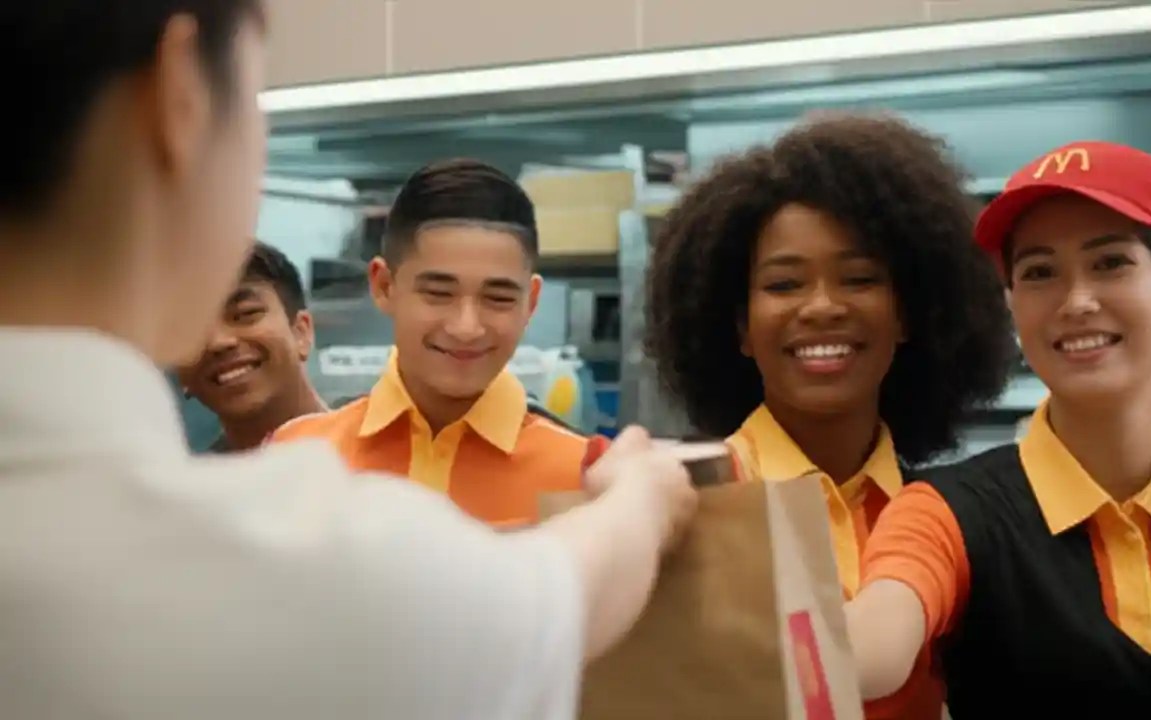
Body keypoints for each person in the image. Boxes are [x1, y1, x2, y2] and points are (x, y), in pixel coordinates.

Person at [0, 3, 697, 718]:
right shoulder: (307, 537)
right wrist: (640, 500)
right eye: (255, 98)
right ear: (182, 96)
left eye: (497, 295)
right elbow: (540, 609)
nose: (465, 324)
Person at [645, 113, 1015, 719]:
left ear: (909, 315)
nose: (821, 307)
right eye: (784, 284)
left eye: (859, 279)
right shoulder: (684, 505)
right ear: (738, 327)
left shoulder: (950, 517)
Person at [848, 141, 1151, 718]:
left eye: (1110, 263)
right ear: (1013, 305)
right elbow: (873, 647)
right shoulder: (944, 514)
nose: (1077, 301)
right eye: (1040, 272)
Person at [270, 159, 591, 527]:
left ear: (530, 303)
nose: (466, 328)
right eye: (438, 293)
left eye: (498, 298)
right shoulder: (300, 458)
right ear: (384, 286)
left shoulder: (580, 476)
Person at [177, 240, 327, 452]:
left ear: (301, 332)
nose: (219, 342)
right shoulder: (181, 474)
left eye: (245, 314)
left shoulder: (375, 455)